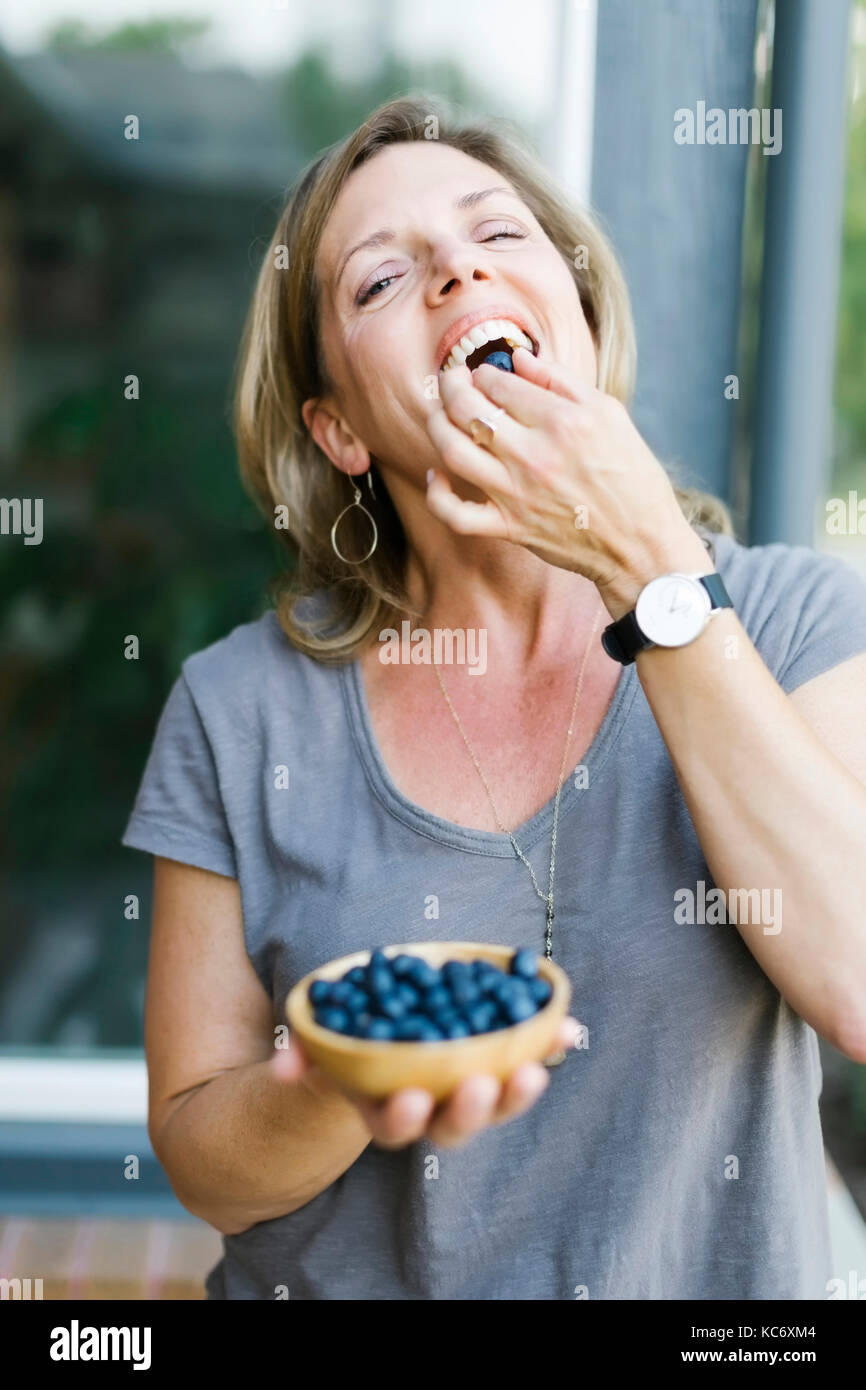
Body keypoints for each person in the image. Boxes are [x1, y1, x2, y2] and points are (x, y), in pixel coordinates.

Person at [122, 95, 866, 1300]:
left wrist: (650, 572)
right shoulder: (236, 709)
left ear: (571, 312)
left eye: (497, 236)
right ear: (340, 428)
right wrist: (332, 1083)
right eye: (378, 280)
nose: (456, 268)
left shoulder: (789, 624)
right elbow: (207, 1166)